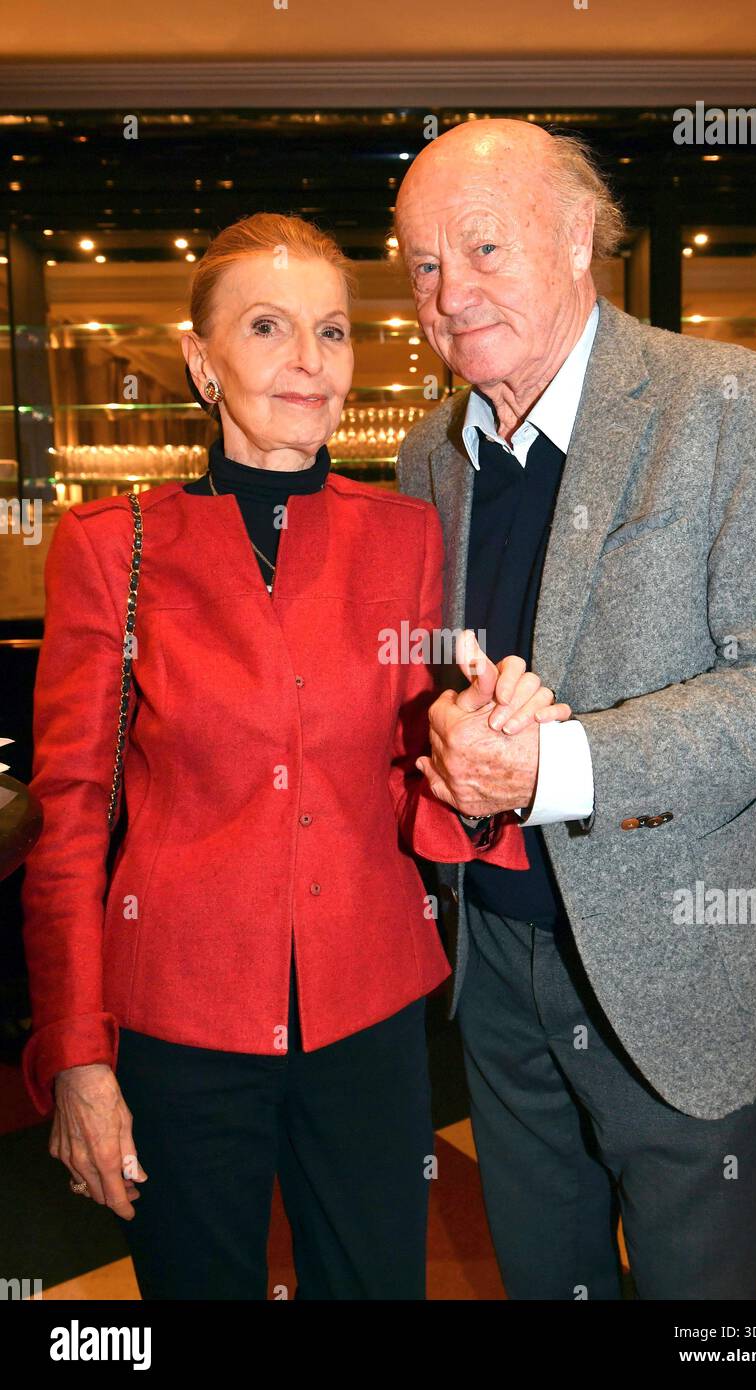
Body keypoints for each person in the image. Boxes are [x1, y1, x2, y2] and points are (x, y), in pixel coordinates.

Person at [19, 211, 568, 1300]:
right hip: (179, 1014)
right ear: (201, 362)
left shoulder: (406, 536)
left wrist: (475, 773)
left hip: (369, 1011)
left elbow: (415, 786)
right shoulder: (113, 546)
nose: (308, 362)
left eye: (333, 330)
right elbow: (70, 816)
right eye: (267, 327)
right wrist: (78, 1053)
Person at [395, 119, 756, 1300]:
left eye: (482, 248)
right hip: (498, 965)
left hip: (689, 962)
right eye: (423, 265)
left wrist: (553, 770)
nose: (450, 293)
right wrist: (450, 741)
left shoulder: (727, 402)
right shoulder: (429, 452)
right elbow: (447, 673)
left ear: (576, 238)